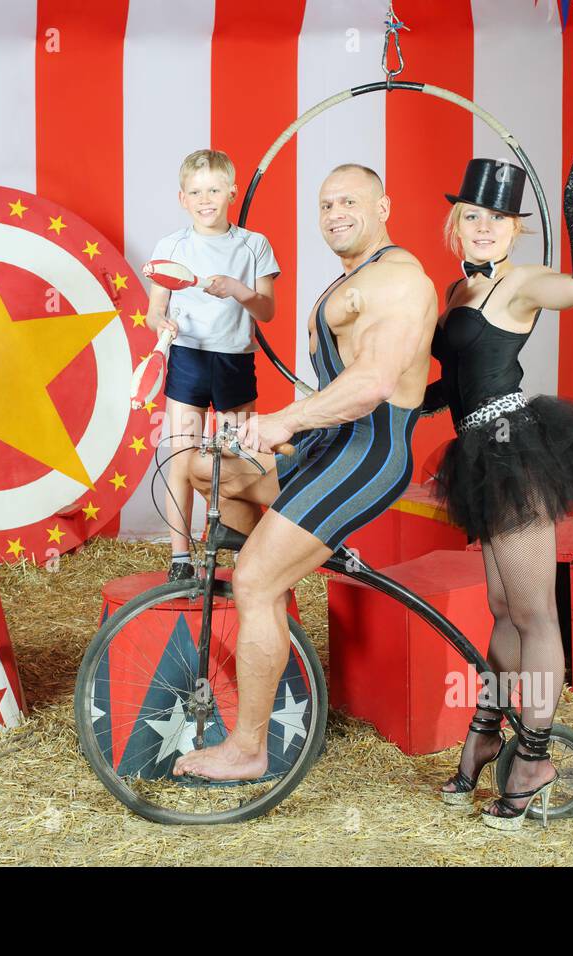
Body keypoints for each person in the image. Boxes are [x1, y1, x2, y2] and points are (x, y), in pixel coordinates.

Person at [171, 163, 437, 781]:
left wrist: (283, 421)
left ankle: (247, 748)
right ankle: (265, 591)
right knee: (210, 472)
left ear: (384, 207)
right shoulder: (356, 276)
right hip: (330, 443)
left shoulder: (399, 279)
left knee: (254, 582)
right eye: (325, 204)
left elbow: (371, 385)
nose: (335, 213)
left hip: (363, 456)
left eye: (350, 201)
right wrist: (279, 428)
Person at [427, 156, 573, 829]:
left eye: (498, 219)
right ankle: (487, 728)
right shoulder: (455, 292)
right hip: (477, 452)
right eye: (473, 215)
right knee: (504, 608)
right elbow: (451, 387)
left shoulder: (523, 281)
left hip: (514, 450)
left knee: (535, 614)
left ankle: (533, 758)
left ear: (515, 231)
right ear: (457, 222)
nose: (484, 228)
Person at [143, 149, 279, 582]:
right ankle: (180, 557)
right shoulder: (172, 246)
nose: (206, 199)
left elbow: (267, 312)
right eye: (197, 192)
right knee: (181, 458)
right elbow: (153, 310)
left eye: (215, 190)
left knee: (238, 460)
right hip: (187, 358)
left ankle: (244, 556)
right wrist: (159, 322)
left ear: (232, 193)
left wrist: (239, 290)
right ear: (183, 198)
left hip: (234, 361)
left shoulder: (253, 245)